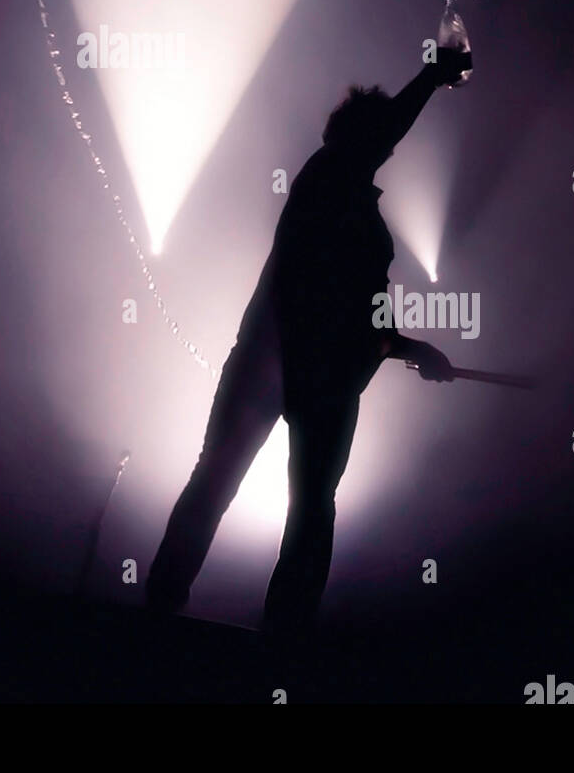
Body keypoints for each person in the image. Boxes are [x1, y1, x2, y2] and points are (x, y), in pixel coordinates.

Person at [146, 44, 471, 636]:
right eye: (381, 133)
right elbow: (349, 313)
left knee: (256, 492)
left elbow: (357, 317)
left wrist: (407, 348)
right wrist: (430, 75)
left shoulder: (341, 193)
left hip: (284, 369)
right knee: (294, 504)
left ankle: (187, 611)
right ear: (359, 137)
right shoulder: (329, 174)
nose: (392, 142)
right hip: (299, 373)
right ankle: (265, 633)